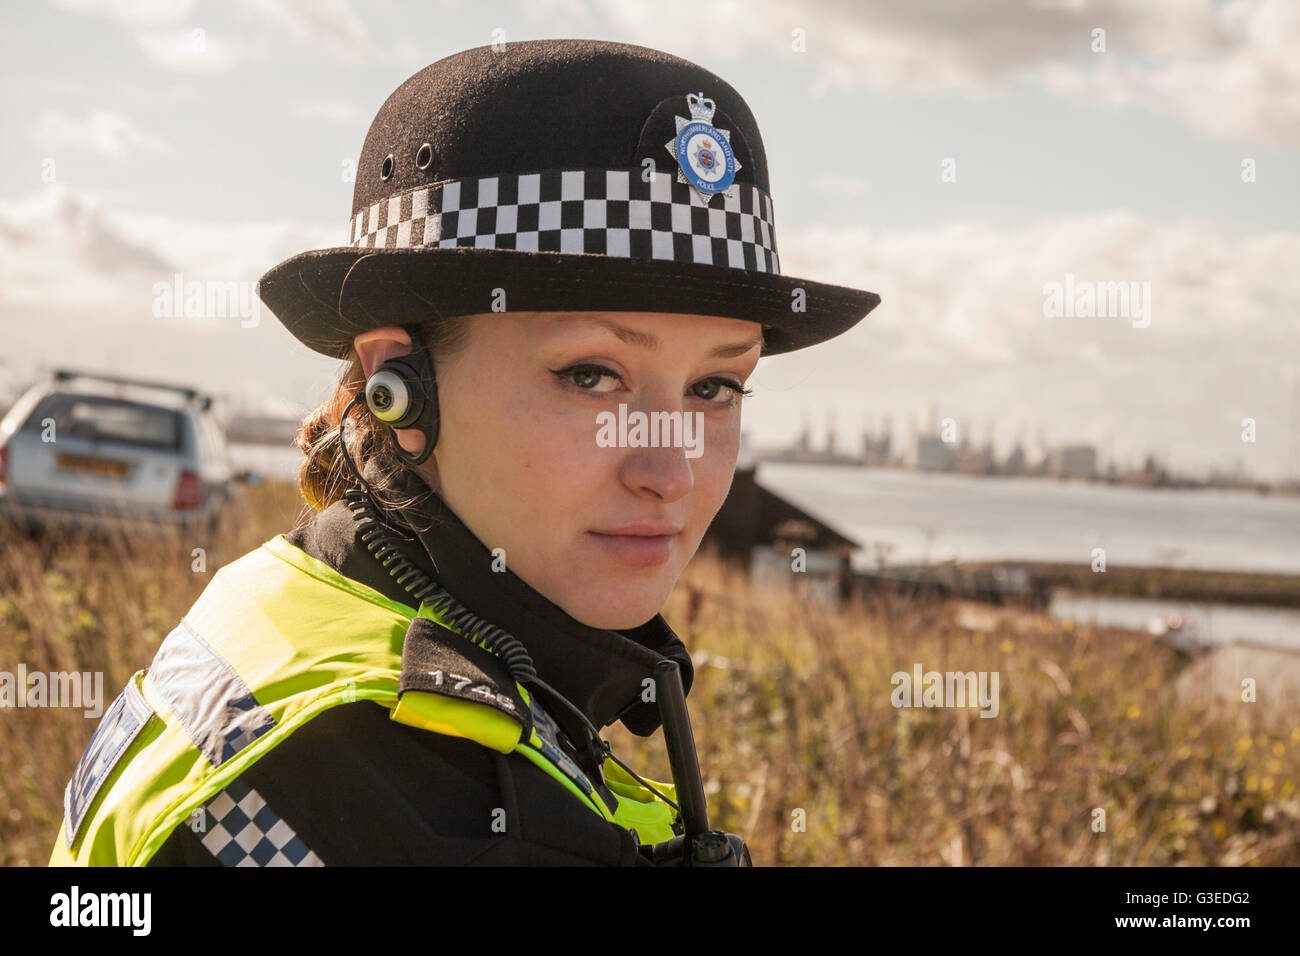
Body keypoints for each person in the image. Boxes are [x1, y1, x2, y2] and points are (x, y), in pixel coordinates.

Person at [48, 38, 879, 866]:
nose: (669, 471)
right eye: (592, 376)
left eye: (715, 389)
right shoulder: (399, 805)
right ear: (397, 383)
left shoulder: (297, 595)